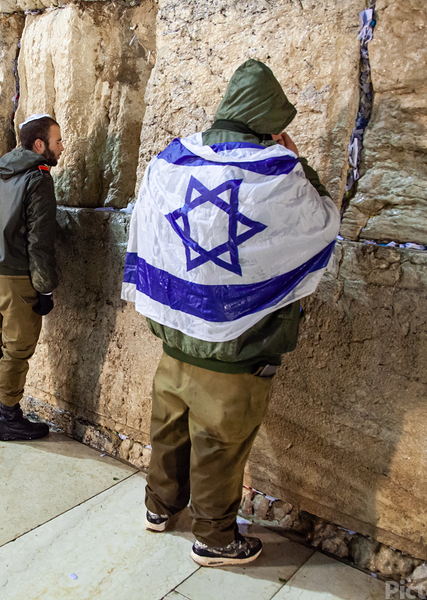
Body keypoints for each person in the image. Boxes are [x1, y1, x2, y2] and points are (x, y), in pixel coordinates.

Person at [121, 59, 340, 567]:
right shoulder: (278, 175)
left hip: (176, 341)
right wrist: (298, 161)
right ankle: (215, 539)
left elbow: (150, 232)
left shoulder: (174, 162)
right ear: (267, 119)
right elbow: (322, 222)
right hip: (235, 354)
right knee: (220, 445)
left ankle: (159, 508)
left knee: (168, 431)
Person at [0, 114, 63, 442]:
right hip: (18, 280)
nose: (61, 148)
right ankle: (9, 416)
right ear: (39, 145)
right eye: (57, 141)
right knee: (16, 350)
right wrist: (45, 288)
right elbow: (40, 241)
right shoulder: (38, 178)